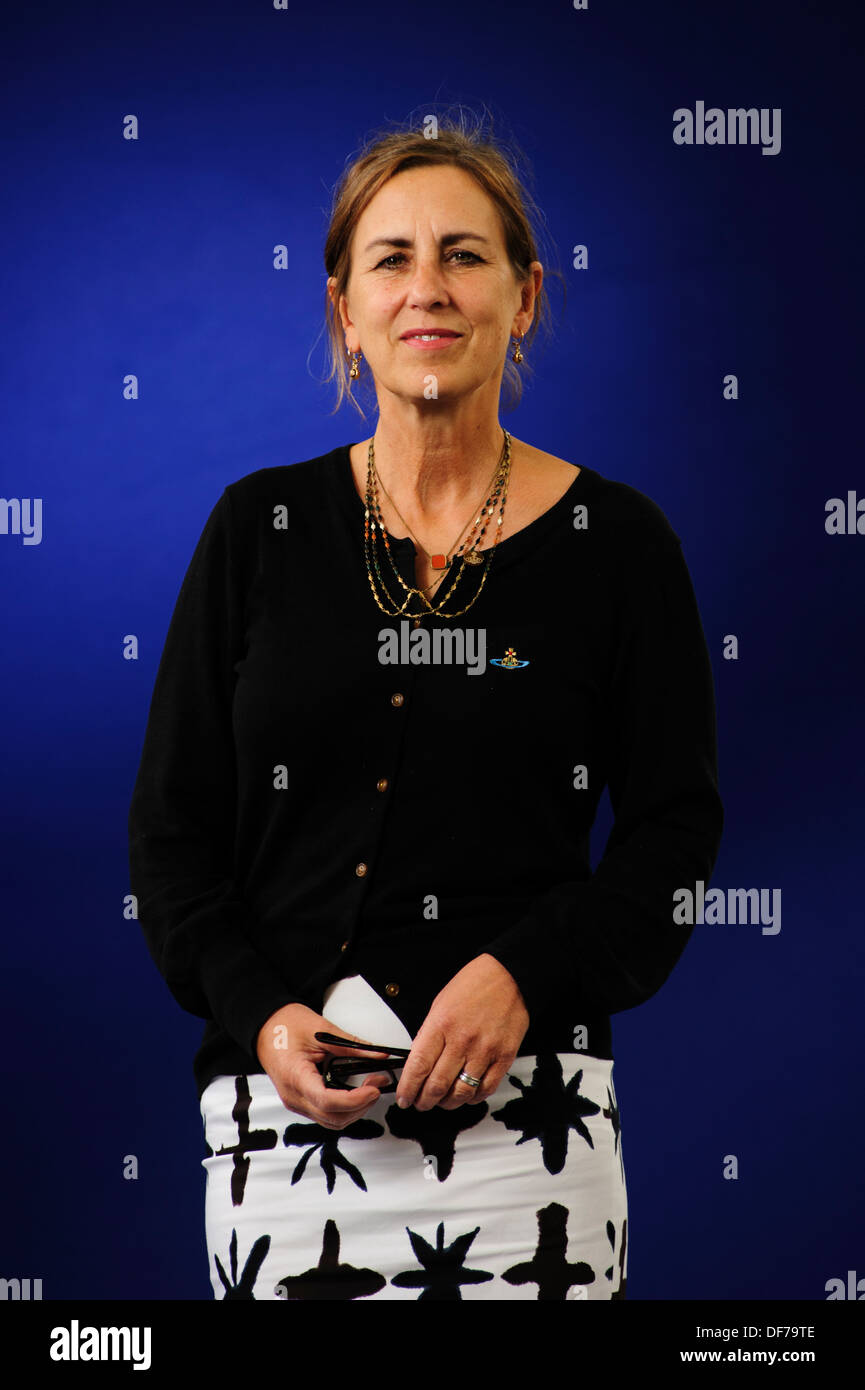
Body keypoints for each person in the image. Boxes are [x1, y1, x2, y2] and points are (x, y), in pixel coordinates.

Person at [128, 110, 723, 1301]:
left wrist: (528, 968)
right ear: (344, 306)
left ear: (526, 294)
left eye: (465, 254)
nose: (428, 289)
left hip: (529, 1138)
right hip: (287, 1127)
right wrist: (264, 1019)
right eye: (390, 259)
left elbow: (674, 831)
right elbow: (172, 836)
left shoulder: (621, 544)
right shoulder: (259, 529)